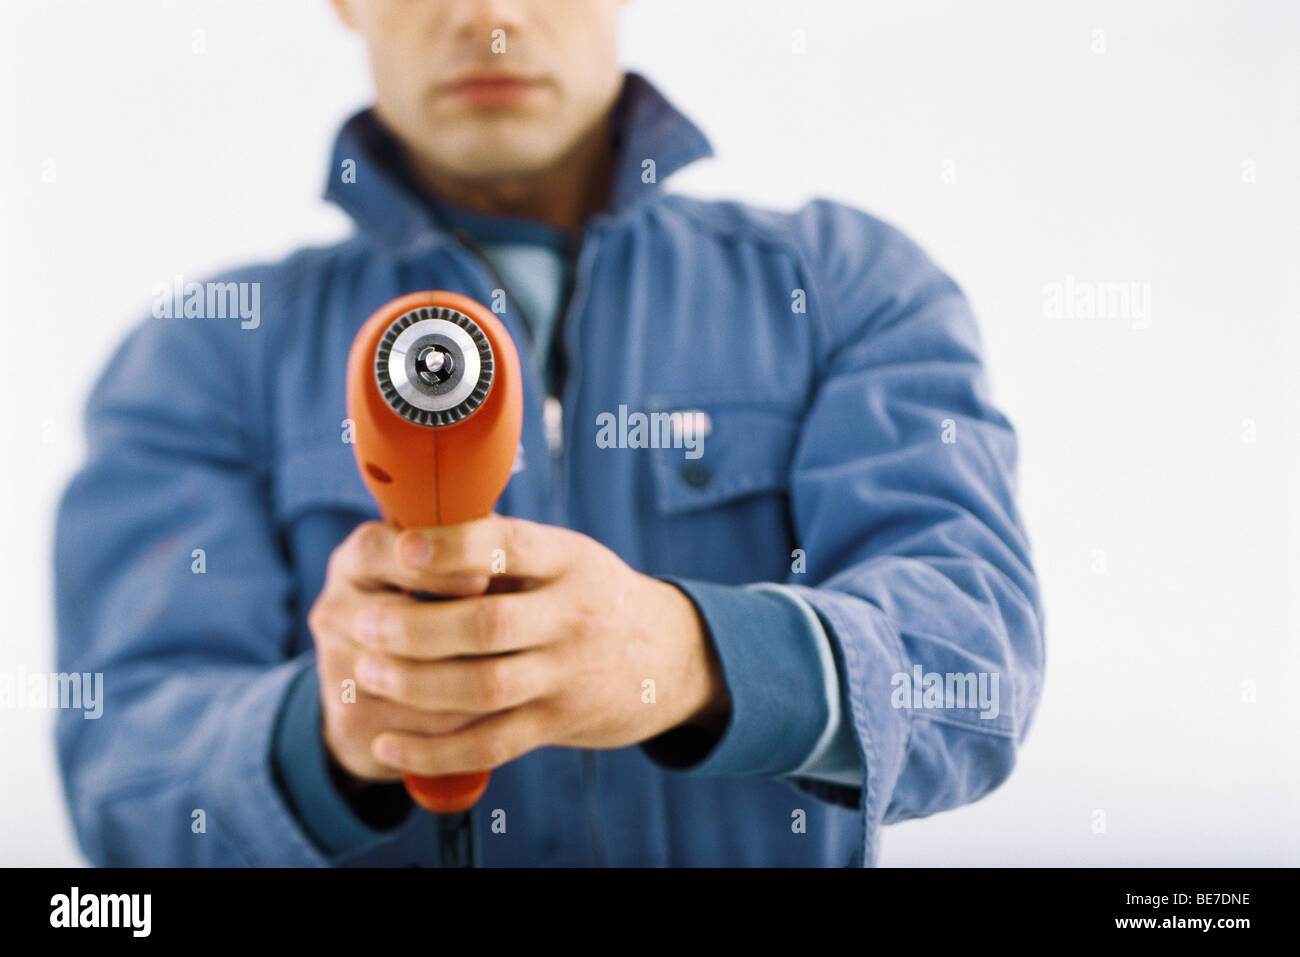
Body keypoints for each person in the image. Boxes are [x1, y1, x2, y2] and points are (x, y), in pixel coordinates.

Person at [54, 0, 1045, 867]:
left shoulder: (843, 289)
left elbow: (976, 671)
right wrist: (329, 737)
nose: (490, 17)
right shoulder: (200, 356)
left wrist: (690, 656)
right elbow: (124, 781)